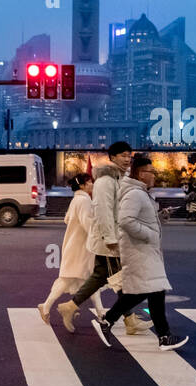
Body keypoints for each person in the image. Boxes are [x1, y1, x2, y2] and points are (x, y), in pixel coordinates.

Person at [93, 155, 188, 351]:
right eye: (152, 172)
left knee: (151, 290)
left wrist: (160, 217)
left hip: (144, 250)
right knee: (149, 290)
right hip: (140, 251)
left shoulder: (140, 193)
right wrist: (150, 234)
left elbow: (140, 219)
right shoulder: (135, 194)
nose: (154, 176)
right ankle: (163, 336)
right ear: (141, 173)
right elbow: (127, 221)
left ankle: (160, 335)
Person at [57, 142, 148, 335]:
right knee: (122, 281)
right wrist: (110, 238)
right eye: (123, 155)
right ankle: (129, 319)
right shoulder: (106, 181)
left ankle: (70, 306)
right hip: (109, 240)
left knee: (100, 277)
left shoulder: (118, 179)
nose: (127, 159)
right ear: (112, 157)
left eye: (128, 156)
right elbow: (103, 210)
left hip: (113, 238)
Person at [38, 174, 107, 323]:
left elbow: (67, 219)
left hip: (76, 247)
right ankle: (45, 306)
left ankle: (101, 313)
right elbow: (88, 224)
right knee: (78, 279)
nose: (92, 185)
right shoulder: (83, 201)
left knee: (85, 279)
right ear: (82, 185)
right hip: (80, 248)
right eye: (89, 182)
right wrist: (103, 236)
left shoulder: (77, 199)